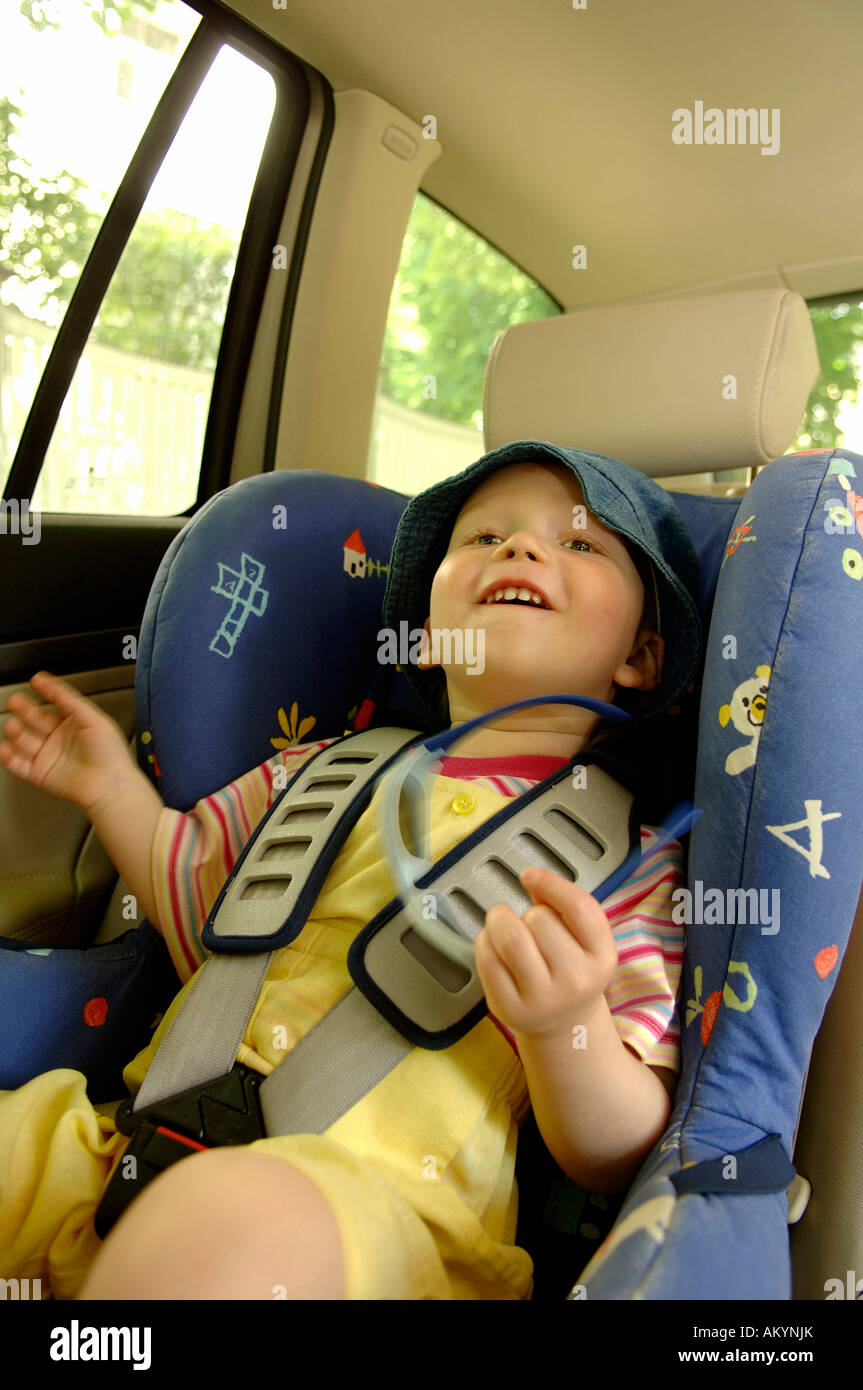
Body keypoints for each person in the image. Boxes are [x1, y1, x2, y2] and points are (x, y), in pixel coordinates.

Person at [0, 440, 703, 1301]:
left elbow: (618, 1150)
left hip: (380, 1225)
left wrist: (567, 1028)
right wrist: (112, 791)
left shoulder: (630, 861)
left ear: (639, 658)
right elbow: (194, 916)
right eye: (483, 538)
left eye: (580, 543)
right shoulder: (321, 768)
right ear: (425, 630)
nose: (520, 550)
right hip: (129, 1151)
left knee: (234, 1222)